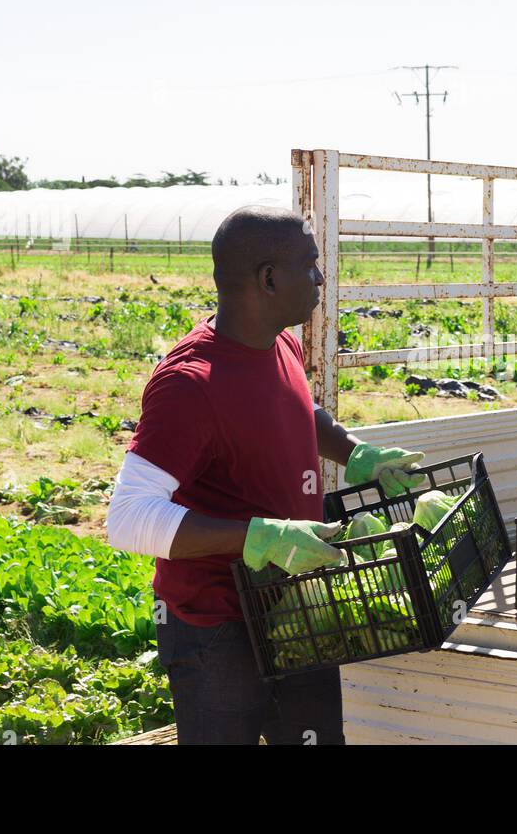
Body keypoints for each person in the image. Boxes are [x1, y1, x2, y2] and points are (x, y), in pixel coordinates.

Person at [106, 206, 427, 745]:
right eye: (312, 265)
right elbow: (128, 519)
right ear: (269, 279)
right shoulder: (190, 384)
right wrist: (260, 536)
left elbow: (301, 410)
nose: (321, 278)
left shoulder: (280, 341)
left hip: (295, 603)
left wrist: (356, 454)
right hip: (217, 627)